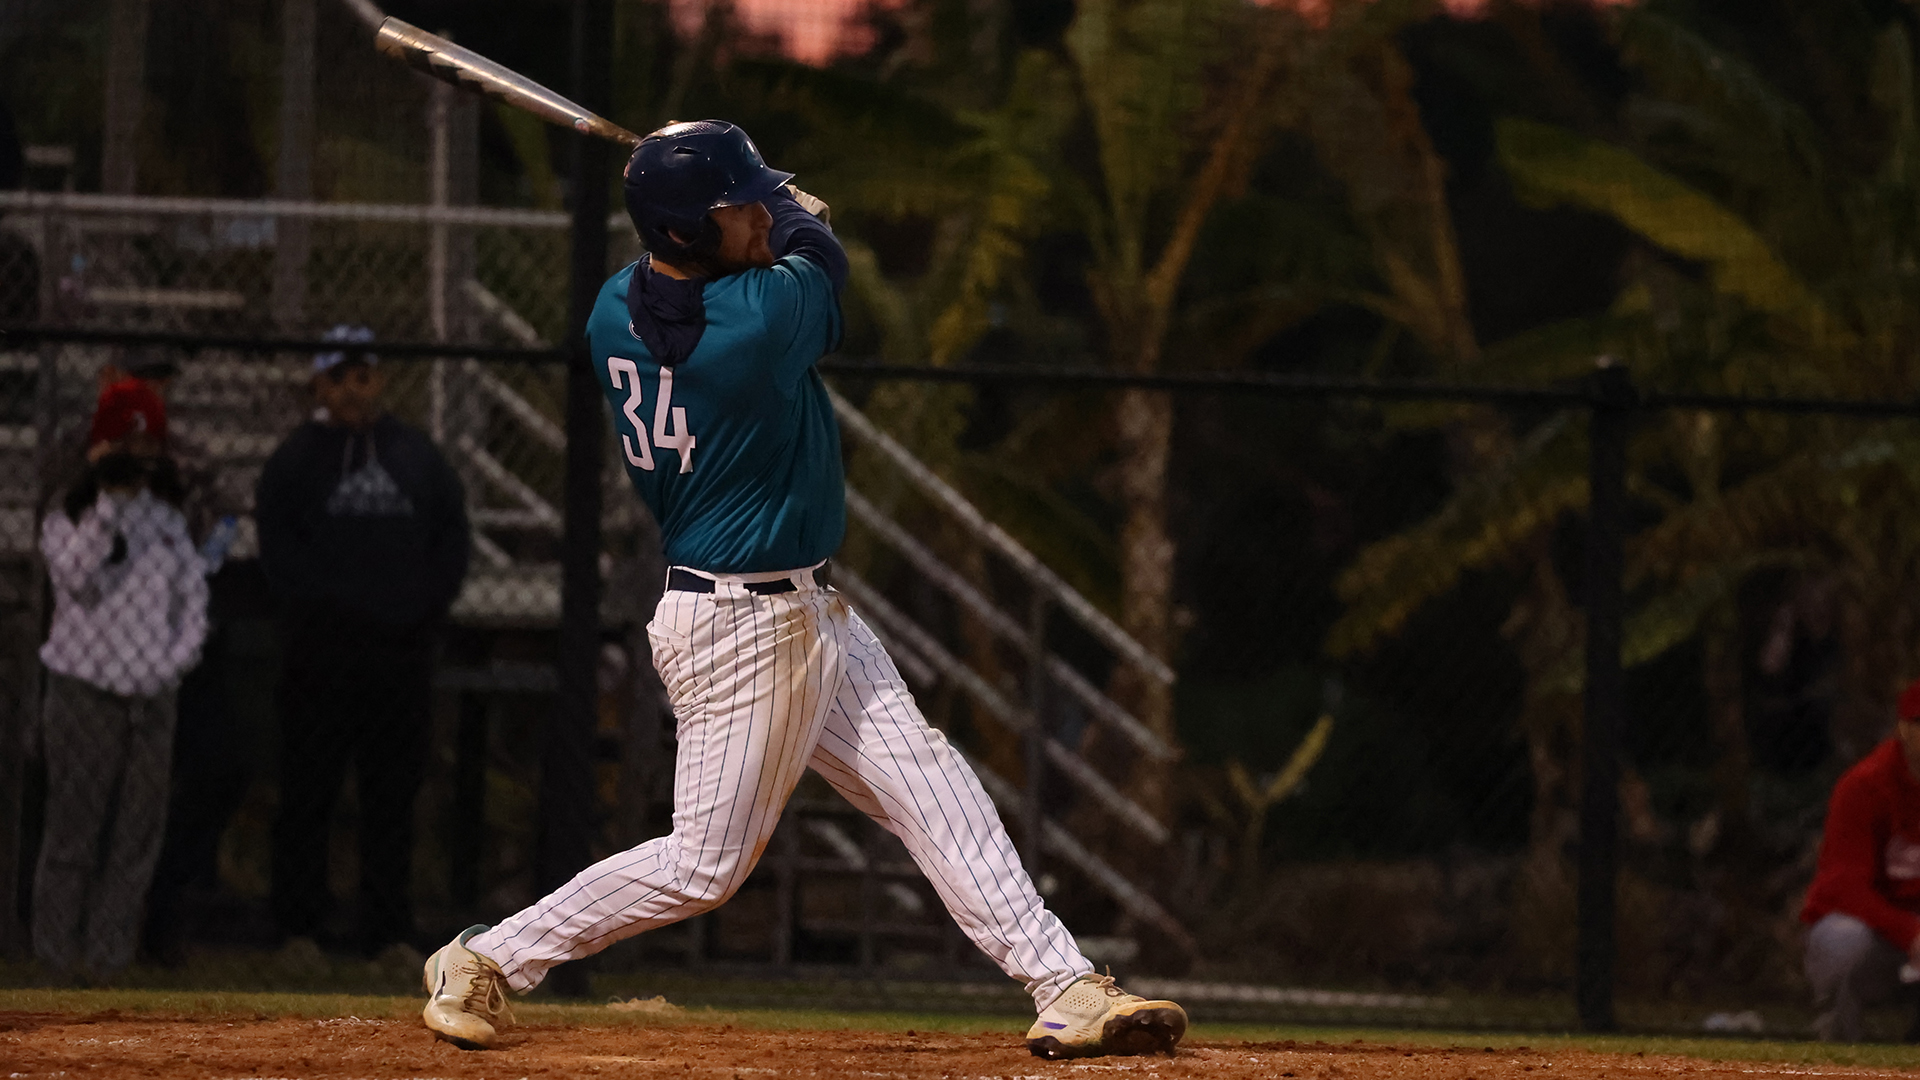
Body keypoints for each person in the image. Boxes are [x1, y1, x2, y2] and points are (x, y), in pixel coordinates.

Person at [418, 121, 1187, 1060]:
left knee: (931, 785)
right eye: (734, 205)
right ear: (688, 233)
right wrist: (793, 218)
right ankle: (489, 959)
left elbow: (735, 255)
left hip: (798, 610)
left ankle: (1063, 983)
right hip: (744, 627)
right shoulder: (755, 325)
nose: (754, 213)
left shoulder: (616, 306)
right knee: (704, 865)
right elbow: (821, 265)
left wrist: (749, 207)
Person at [255, 325, 470, 957]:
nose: (354, 388)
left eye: (364, 374)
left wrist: (419, 609)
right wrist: (330, 609)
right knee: (308, 791)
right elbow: (279, 552)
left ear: (378, 379)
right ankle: (297, 926)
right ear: (319, 383)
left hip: (399, 656)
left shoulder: (415, 456)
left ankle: (388, 929)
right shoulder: (296, 459)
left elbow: (450, 538)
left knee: (392, 796)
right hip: (320, 656)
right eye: (340, 376)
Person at [35, 381, 207, 983]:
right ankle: (55, 962)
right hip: (83, 689)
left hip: (151, 695)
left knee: (136, 836)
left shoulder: (168, 522)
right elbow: (77, 578)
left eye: (145, 443)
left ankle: (107, 963)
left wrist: (170, 665)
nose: (137, 456)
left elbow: (193, 602)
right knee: (72, 833)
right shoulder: (69, 515)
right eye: (123, 443)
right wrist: (107, 499)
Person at [1801, 678, 1920, 1041]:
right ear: (1902, 728)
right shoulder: (1865, 786)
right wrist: (1911, 932)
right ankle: (1839, 1038)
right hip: (1880, 939)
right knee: (1843, 938)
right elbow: (1845, 888)